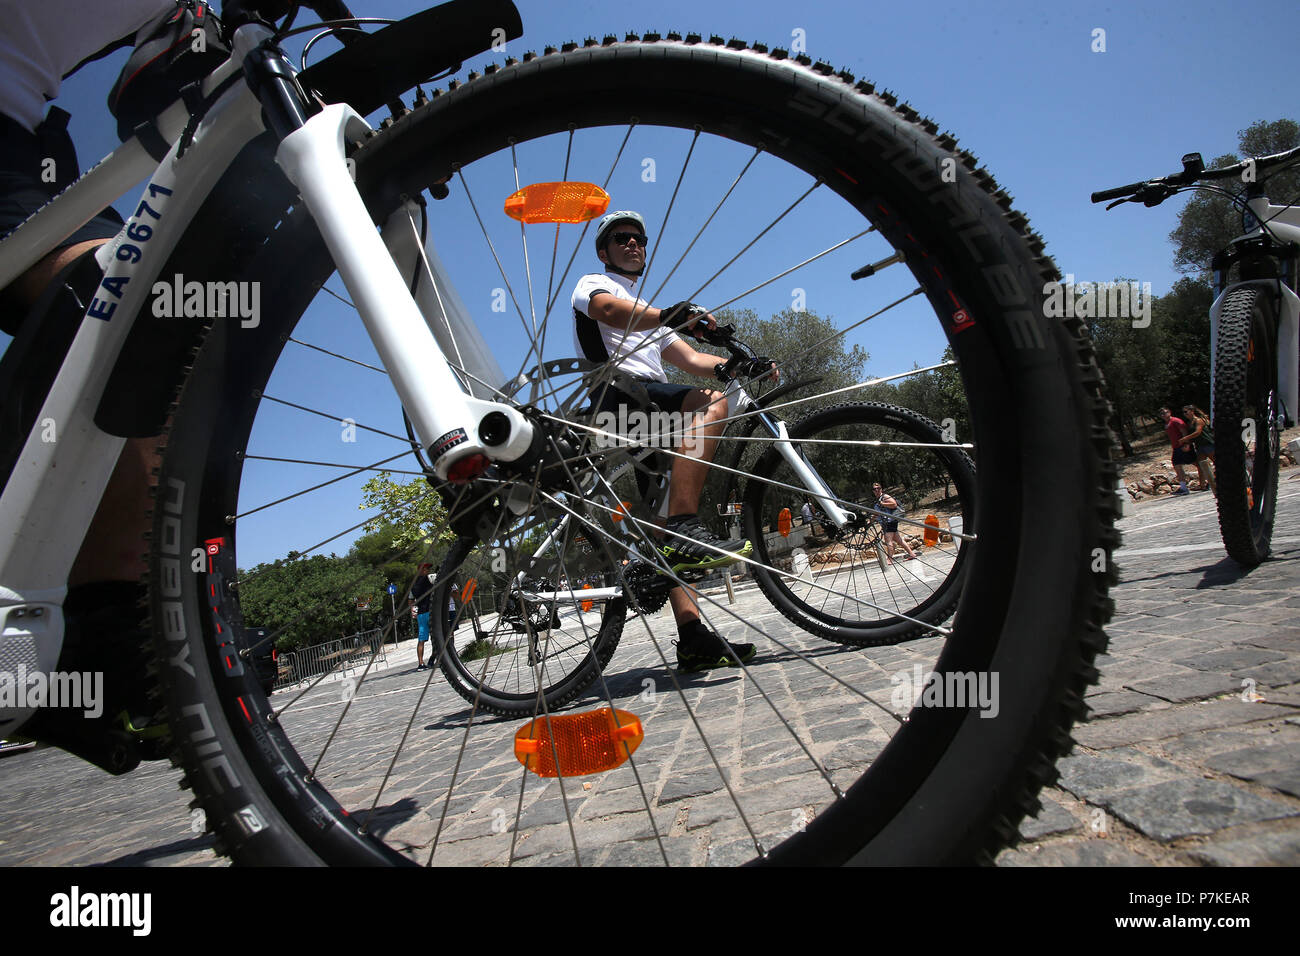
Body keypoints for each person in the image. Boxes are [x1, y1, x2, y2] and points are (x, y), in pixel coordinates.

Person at [572, 210, 771, 672]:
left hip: (648, 408)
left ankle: (692, 637)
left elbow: (693, 359)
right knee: (710, 405)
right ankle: (685, 522)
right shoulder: (593, 284)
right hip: (616, 396)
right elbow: (606, 311)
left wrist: (734, 363)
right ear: (604, 252)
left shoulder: (650, 317)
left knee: (663, 530)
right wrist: (670, 314)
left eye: (639, 238)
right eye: (621, 238)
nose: (633, 243)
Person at [872, 482, 916, 563]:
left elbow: (894, 504)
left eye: (878, 488)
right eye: (874, 489)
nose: (876, 490)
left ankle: (889, 559)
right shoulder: (878, 500)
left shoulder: (885, 497)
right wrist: (871, 520)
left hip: (889, 521)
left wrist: (883, 503)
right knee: (899, 540)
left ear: (881, 489)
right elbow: (877, 513)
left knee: (888, 541)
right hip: (886, 522)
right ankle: (911, 554)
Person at [1180, 404, 1216, 496]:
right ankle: (1202, 484)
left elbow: (1198, 432)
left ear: (1192, 411)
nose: (1185, 414)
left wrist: (1185, 438)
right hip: (1199, 446)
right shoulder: (1190, 422)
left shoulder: (1199, 420)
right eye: (1183, 412)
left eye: (1186, 411)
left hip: (1208, 444)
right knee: (1201, 464)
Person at [1159, 406, 1195, 495]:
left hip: (1182, 446)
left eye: (1165, 412)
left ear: (1169, 412)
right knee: (1177, 465)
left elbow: (1184, 432)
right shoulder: (1167, 424)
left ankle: (1208, 480)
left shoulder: (1175, 421)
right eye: (1161, 414)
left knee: (1196, 463)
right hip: (1176, 447)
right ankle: (1183, 488)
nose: (1164, 415)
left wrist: (1187, 444)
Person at [409, 564, 434, 670]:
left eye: (428, 569)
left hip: (421, 614)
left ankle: (421, 663)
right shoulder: (429, 578)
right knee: (435, 636)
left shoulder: (413, 585)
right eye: (425, 568)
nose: (427, 570)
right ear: (420, 570)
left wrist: (413, 609)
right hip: (430, 612)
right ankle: (434, 659)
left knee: (421, 639)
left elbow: (410, 599)